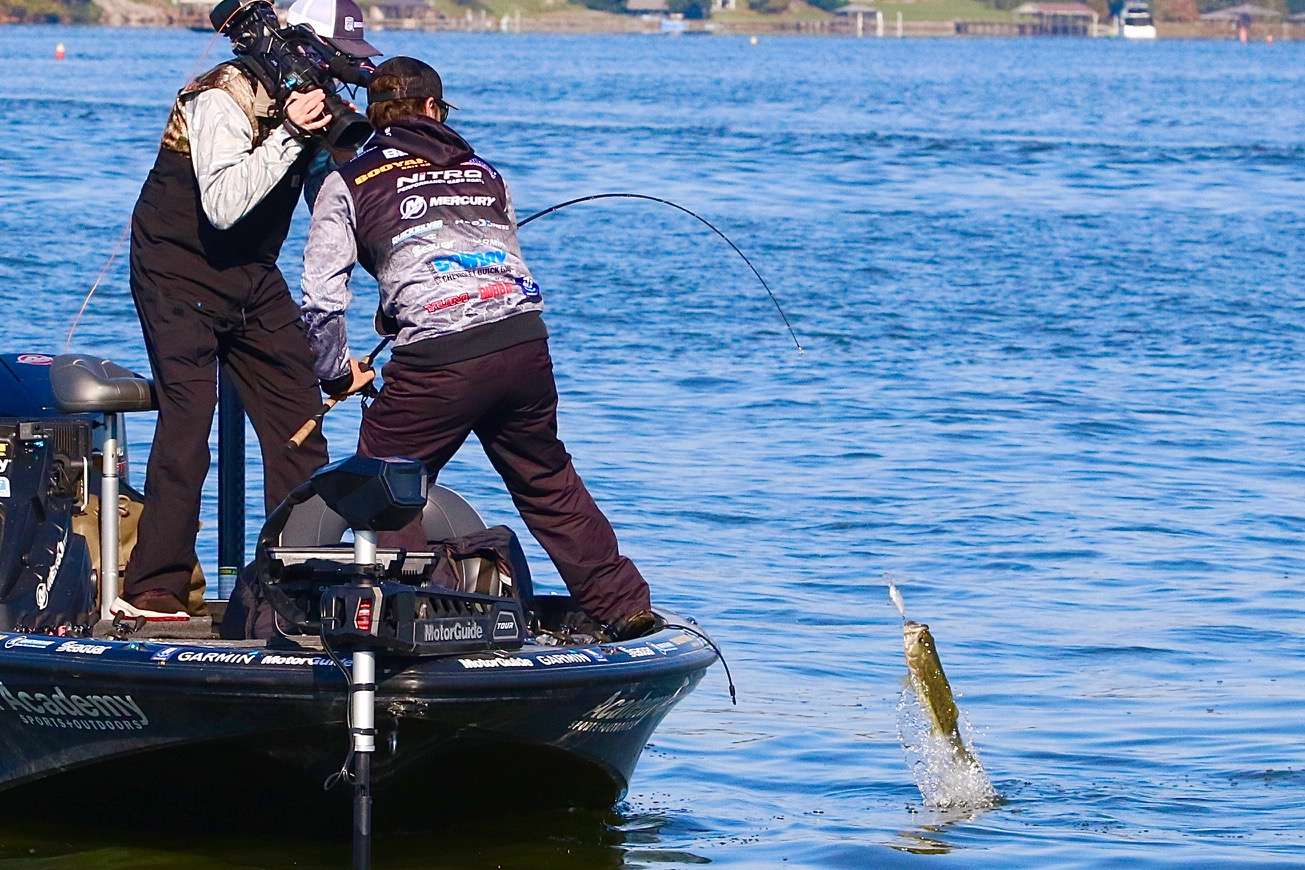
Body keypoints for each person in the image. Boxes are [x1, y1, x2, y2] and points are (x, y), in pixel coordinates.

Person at [299, 57, 657, 640]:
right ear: (435, 111)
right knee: (546, 478)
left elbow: (320, 301)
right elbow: (496, 264)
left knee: (386, 480)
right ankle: (622, 605)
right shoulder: (484, 173)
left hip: (441, 361)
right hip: (522, 345)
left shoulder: (348, 180)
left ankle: (404, 620)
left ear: (375, 115)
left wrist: (337, 375)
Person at [118, 0, 381, 618]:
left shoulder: (312, 112)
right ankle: (152, 583)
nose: (337, 77)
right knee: (189, 423)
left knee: (299, 421)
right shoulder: (221, 94)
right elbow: (225, 205)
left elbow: (330, 213)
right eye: (332, 60)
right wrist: (290, 133)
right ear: (299, 48)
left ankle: (295, 576)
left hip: (250, 276)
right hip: (175, 268)